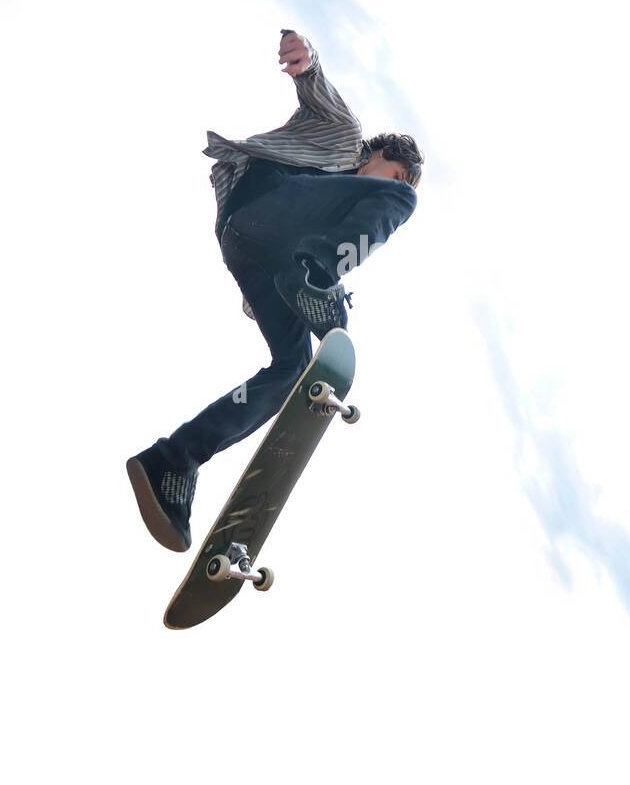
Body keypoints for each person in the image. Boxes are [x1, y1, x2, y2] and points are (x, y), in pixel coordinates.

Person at [127, 28, 423, 553]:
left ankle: (174, 461)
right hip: (266, 207)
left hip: (253, 254)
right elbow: (317, 89)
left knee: (294, 368)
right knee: (393, 211)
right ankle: (317, 276)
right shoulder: (345, 138)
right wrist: (305, 59)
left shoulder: (343, 214)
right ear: (377, 153)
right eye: (394, 174)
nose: (392, 187)